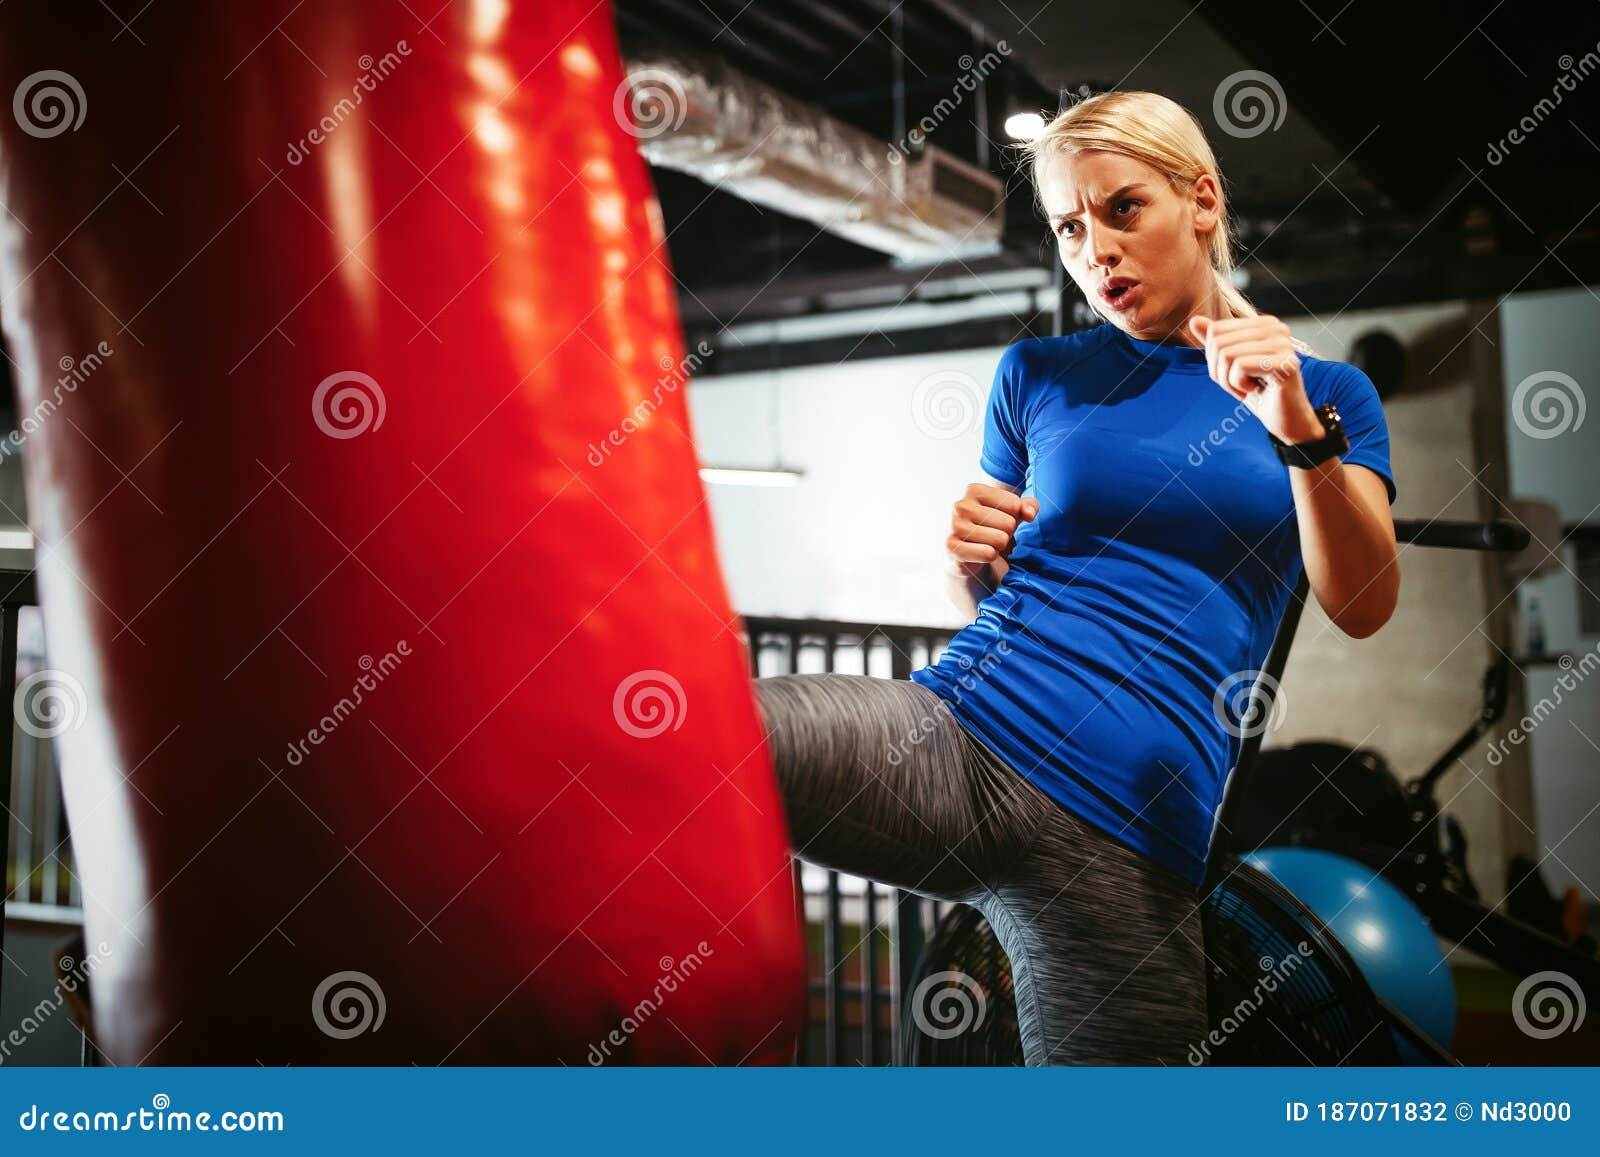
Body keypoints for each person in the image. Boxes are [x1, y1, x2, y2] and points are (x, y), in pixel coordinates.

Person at [754, 90, 1400, 1066]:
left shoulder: (1330, 393)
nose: (1093, 248)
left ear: (1204, 203)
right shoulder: (1037, 373)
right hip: (957, 740)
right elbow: (991, 583)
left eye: (1121, 208)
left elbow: (1363, 603)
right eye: (1068, 224)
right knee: (714, 743)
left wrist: (1299, 431)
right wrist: (966, 563)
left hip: (1130, 834)